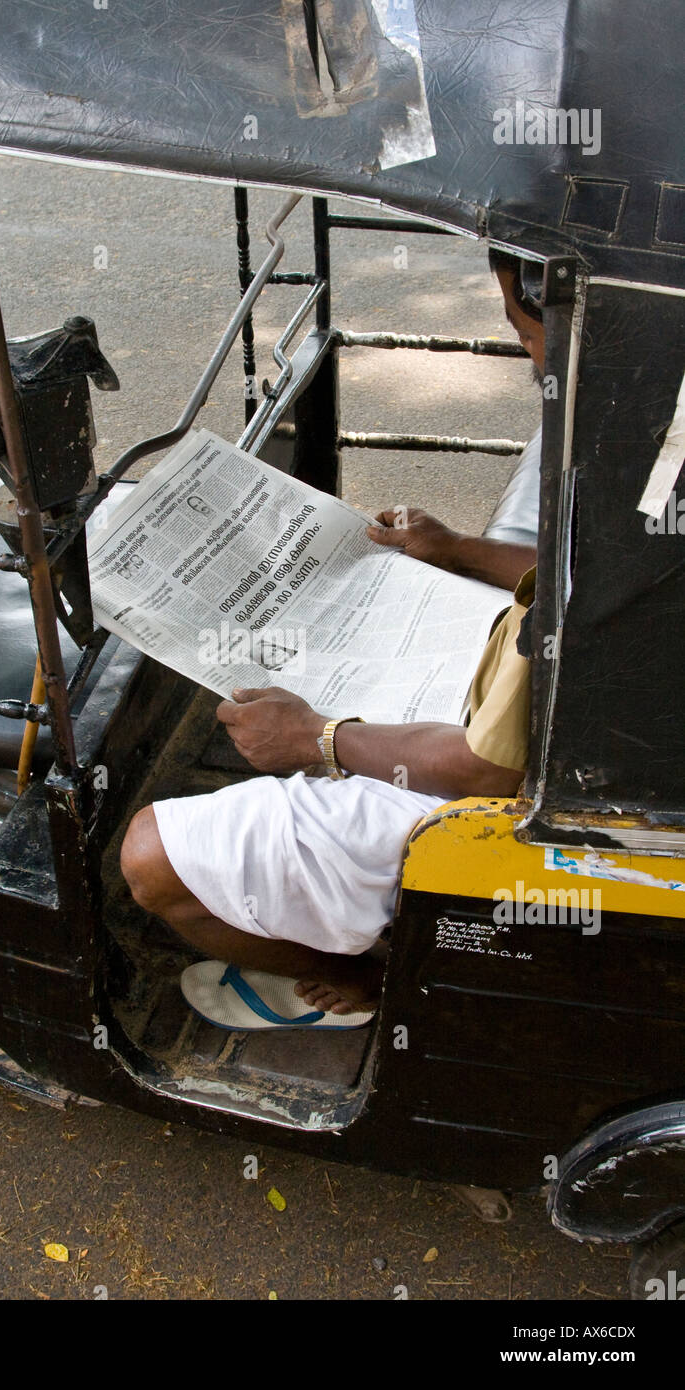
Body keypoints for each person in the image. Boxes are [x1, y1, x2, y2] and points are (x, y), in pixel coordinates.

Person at [120, 251, 544, 1029]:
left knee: (150, 858)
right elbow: (578, 570)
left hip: (520, 787)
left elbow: (488, 769)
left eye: (519, 323)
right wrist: (460, 550)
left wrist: (317, 738)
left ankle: (373, 983)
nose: (520, 344)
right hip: (518, 701)